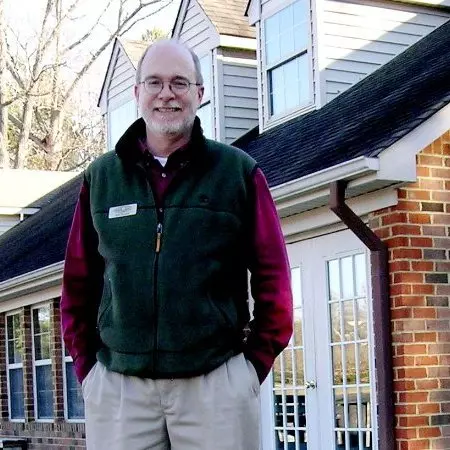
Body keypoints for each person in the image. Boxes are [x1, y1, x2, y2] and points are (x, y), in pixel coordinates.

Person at [61, 39, 293, 450]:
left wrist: (250, 369)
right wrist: (88, 369)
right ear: (136, 93)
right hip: (120, 390)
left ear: (200, 94)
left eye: (180, 83)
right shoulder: (101, 180)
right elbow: (78, 284)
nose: (166, 93)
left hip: (215, 386)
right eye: (154, 82)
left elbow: (273, 277)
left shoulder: (238, 173)